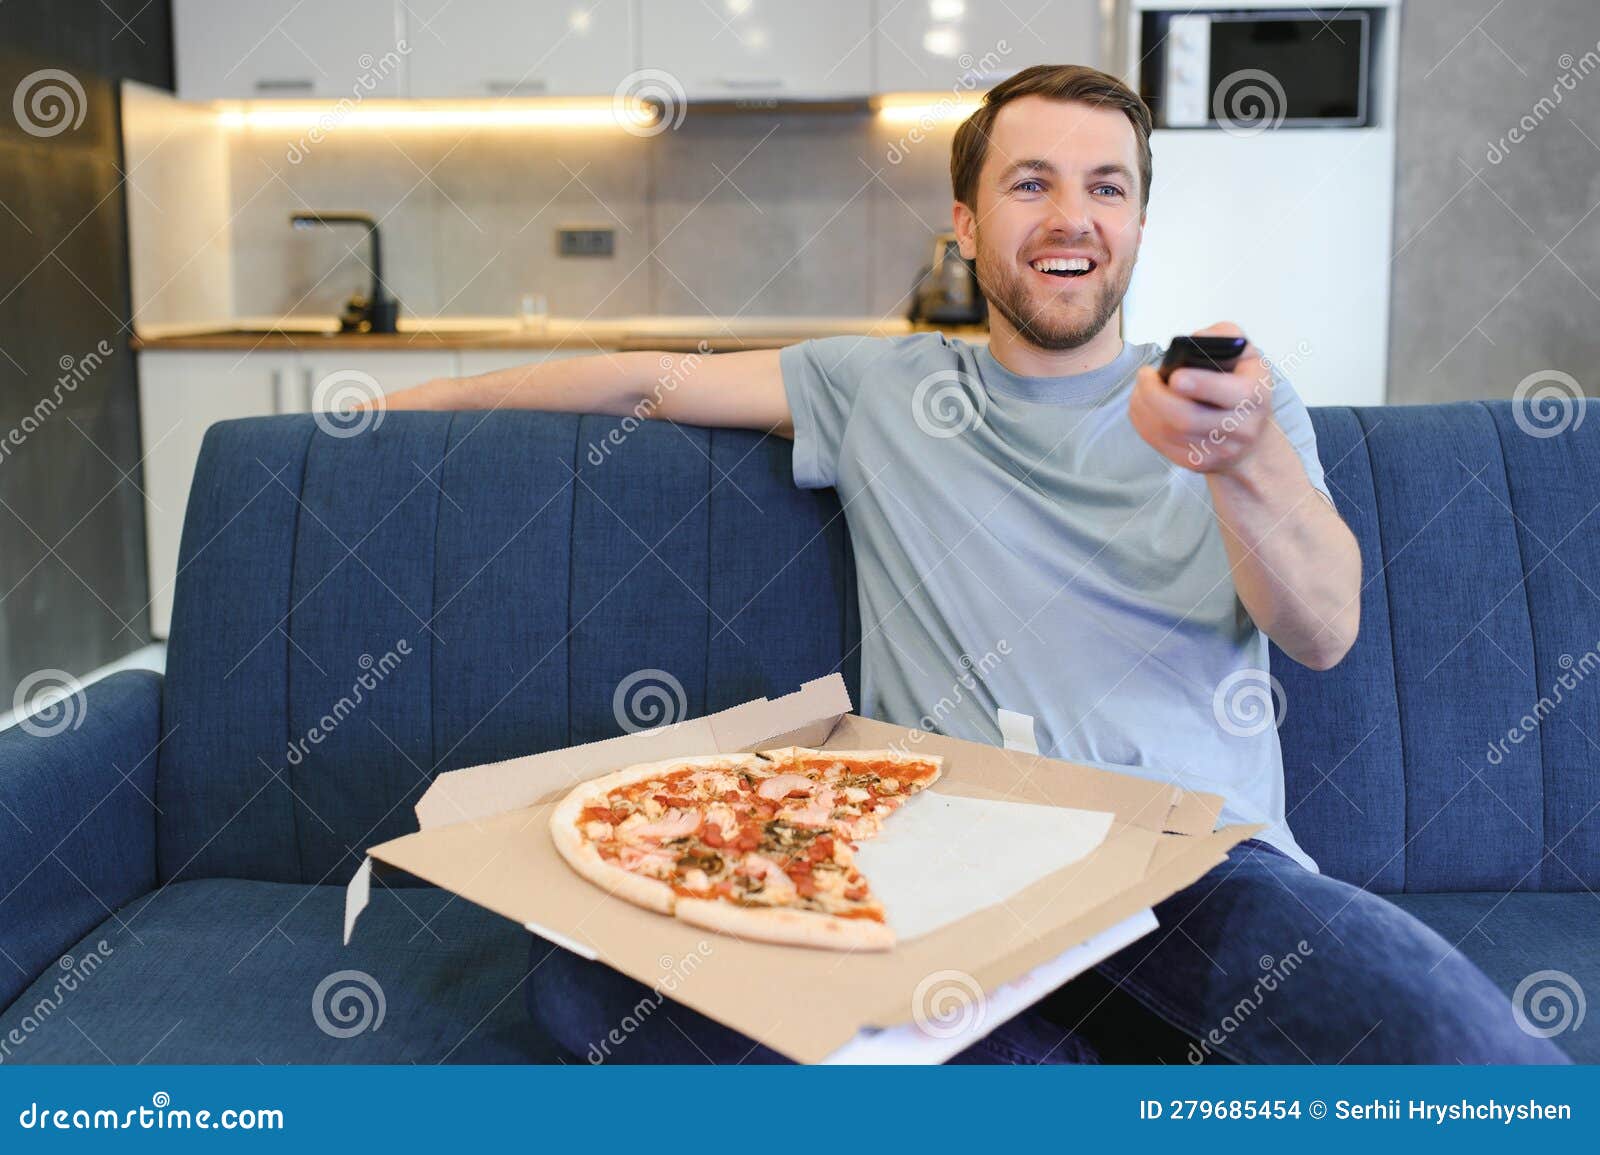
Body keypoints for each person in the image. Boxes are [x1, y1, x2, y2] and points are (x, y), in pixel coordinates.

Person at [383, 65, 1567, 1065]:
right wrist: (420, 401)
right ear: (964, 221)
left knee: (1465, 1052)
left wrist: (1241, 461)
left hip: (1193, 863)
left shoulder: (1233, 408)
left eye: (1106, 187)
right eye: (1029, 184)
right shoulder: (879, 388)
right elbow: (642, 380)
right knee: (583, 979)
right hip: (936, 871)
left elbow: (1322, 629)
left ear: (1137, 224)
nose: (1071, 217)